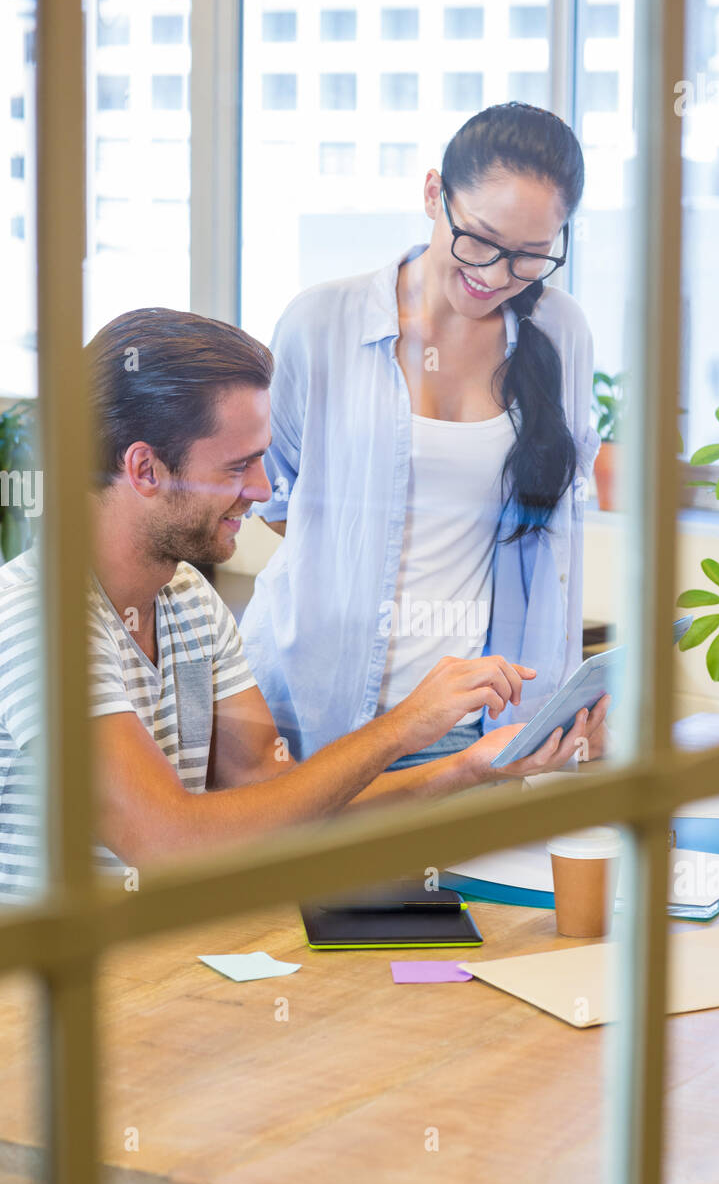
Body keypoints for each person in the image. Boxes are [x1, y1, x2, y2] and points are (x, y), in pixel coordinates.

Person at [0, 308, 607, 904]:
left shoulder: (188, 599)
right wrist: (403, 727)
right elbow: (167, 843)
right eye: (238, 466)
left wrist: (469, 766)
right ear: (145, 469)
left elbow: (284, 803)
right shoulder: (40, 619)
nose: (264, 489)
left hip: (172, 954)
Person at [241, 101, 604, 768]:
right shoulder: (322, 324)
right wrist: (358, 569)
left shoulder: (562, 332)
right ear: (435, 194)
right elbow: (271, 494)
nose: (495, 275)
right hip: (307, 700)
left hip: (461, 720)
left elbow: (557, 536)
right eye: (481, 240)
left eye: (529, 257)